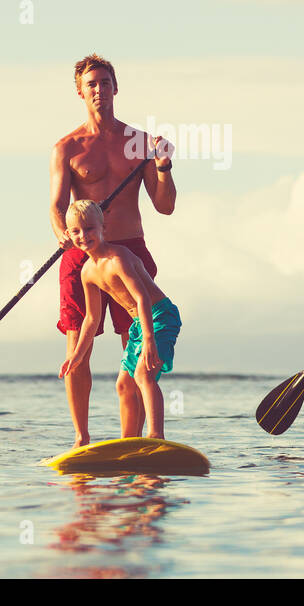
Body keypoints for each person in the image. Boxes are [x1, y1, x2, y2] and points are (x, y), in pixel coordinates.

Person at [50, 54, 175, 446]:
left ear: (116, 87)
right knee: (78, 344)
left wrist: (163, 166)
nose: (99, 90)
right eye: (91, 84)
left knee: (136, 344)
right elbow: (56, 207)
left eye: (105, 82)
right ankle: (82, 439)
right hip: (83, 253)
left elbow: (165, 205)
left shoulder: (139, 143)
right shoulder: (67, 147)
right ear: (80, 93)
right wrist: (62, 233)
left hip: (129, 250)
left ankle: (133, 440)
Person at [59, 200, 181, 441]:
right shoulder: (87, 272)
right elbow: (91, 319)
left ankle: (156, 436)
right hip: (140, 324)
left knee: (144, 376)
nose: (84, 235)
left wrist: (149, 340)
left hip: (160, 317)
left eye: (90, 228)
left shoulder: (118, 258)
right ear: (68, 234)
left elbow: (142, 297)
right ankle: (128, 443)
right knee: (124, 385)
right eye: (76, 231)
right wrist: (77, 355)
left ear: (103, 227)